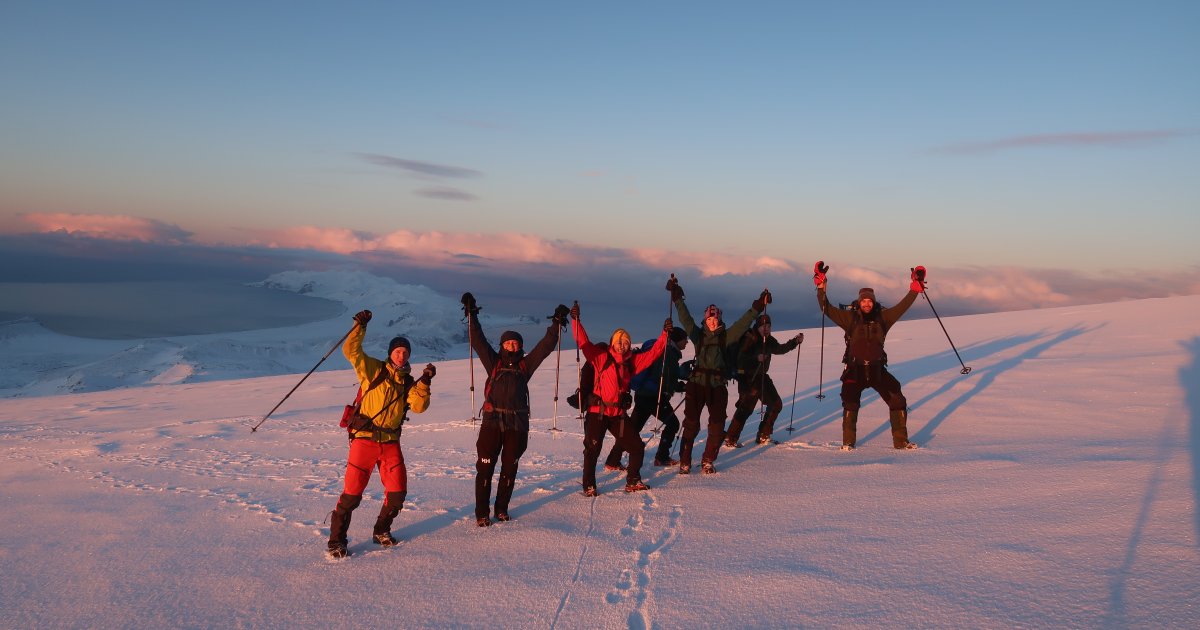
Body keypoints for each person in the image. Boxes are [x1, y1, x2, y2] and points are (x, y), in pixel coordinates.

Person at [327, 309, 435, 558]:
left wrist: (425, 384)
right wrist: (359, 326)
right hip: (364, 439)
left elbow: (419, 407)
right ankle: (337, 541)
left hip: (390, 441)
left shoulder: (408, 382)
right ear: (390, 353)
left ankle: (381, 531)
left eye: (405, 352)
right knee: (352, 495)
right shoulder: (373, 369)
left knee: (397, 494)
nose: (401, 355)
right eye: (398, 351)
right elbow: (351, 352)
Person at [462, 293, 569, 527]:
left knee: (509, 470)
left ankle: (501, 510)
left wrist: (556, 324)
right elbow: (478, 341)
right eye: (508, 343)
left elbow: (544, 348)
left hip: (517, 426)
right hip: (492, 423)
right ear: (502, 346)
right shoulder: (494, 362)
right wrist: (472, 315)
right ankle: (482, 513)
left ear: (520, 346)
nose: (512, 345)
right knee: (485, 469)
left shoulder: (525, 365)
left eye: (516, 343)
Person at [814, 263, 923, 450]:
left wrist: (914, 289)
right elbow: (827, 308)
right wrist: (821, 287)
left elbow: (901, 307)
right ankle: (848, 443)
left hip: (877, 370)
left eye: (870, 301)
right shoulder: (850, 318)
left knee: (897, 399)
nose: (867, 304)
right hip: (854, 370)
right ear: (859, 302)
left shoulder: (884, 317)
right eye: (864, 301)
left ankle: (901, 441)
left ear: (873, 302)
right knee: (850, 402)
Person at [669, 277, 769, 474]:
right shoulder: (698, 336)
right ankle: (685, 461)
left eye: (715, 319)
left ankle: (708, 460)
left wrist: (757, 306)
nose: (713, 322)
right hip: (697, 385)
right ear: (705, 320)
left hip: (717, 386)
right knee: (691, 424)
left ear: (720, 319)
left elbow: (743, 324)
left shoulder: (726, 336)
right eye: (709, 319)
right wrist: (678, 299)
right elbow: (685, 320)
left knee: (716, 426)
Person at [570, 302, 670, 495]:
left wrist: (665, 334)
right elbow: (583, 343)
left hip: (618, 415)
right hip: (597, 412)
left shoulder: (631, 362)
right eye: (619, 342)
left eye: (625, 343)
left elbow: (654, 354)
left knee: (637, 448)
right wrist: (575, 320)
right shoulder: (601, 358)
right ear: (612, 343)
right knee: (592, 450)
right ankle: (589, 486)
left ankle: (633, 481)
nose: (622, 345)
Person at [603, 326, 689, 470]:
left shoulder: (664, 350)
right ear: (677, 340)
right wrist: (679, 386)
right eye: (685, 339)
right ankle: (661, 457)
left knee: (632, 430)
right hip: (654, 396)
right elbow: (665, 377)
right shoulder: (669, 353)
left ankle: (612, 461)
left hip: (643, 394)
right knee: (673, 424)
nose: (686, 342)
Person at [725, 313, 804, 447]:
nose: (766, 328)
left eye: (768, 326)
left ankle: (763, 435)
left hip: (761, 376)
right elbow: (740, 360)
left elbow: (780, 349)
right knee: (745, 409)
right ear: (758, 326)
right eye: (763, 326)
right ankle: (730, 438)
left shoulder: (769, 340)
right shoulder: (749, 338)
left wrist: (794, 342)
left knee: (776, 404)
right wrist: (756, 358)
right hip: (748, 378)